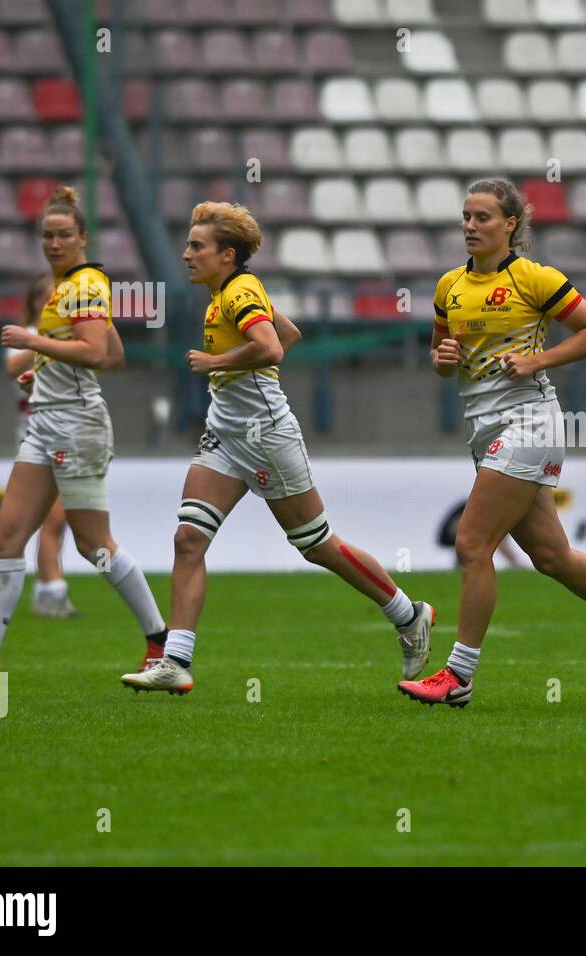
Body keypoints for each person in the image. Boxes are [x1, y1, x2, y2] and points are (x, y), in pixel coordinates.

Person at [121, 201, 434, 694]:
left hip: (265, 436)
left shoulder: (239, 291)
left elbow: (270, 347)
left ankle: (407, 613)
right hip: (225, 434)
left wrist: (216, 361)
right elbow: (288, 333)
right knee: (188, 539)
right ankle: (176, 662)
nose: (186, 254)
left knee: (315, 544)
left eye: (196, 246)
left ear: (227, 254)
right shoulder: (230, 291)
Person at [397, 178, 586, 708]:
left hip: (530, 422)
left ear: (510, 225)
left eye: (483, 218)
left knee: (473, 544)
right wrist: (441, 359)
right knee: (551, 556)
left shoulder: (536, 278)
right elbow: (439, 352)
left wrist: (538, 360)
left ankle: (458, 675)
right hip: (484, 427)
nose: (471, 226)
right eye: (467, 217)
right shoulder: (449, 285)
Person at [0, 186, 167, 674]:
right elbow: (114, 355)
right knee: (8, 536)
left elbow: (97, 353)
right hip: (46, 420)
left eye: (63, 235)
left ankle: (160, 642)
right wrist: (49, 365)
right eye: (46, 235)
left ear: (83, 237)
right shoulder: (67, 287)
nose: (53, 243)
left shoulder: (83, 285)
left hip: (77, 425)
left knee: (94, 545)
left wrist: (34, 341)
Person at [6, 272, 78, 618]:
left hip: (65, 433)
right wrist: (46, 342)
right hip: (35, 436)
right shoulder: (29, 335)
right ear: (35, 302)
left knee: (56, 520)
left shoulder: (66, 337)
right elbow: (13, 367)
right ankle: (51, 590)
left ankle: (50, 588)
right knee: (44, 521)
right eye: (46, 297)